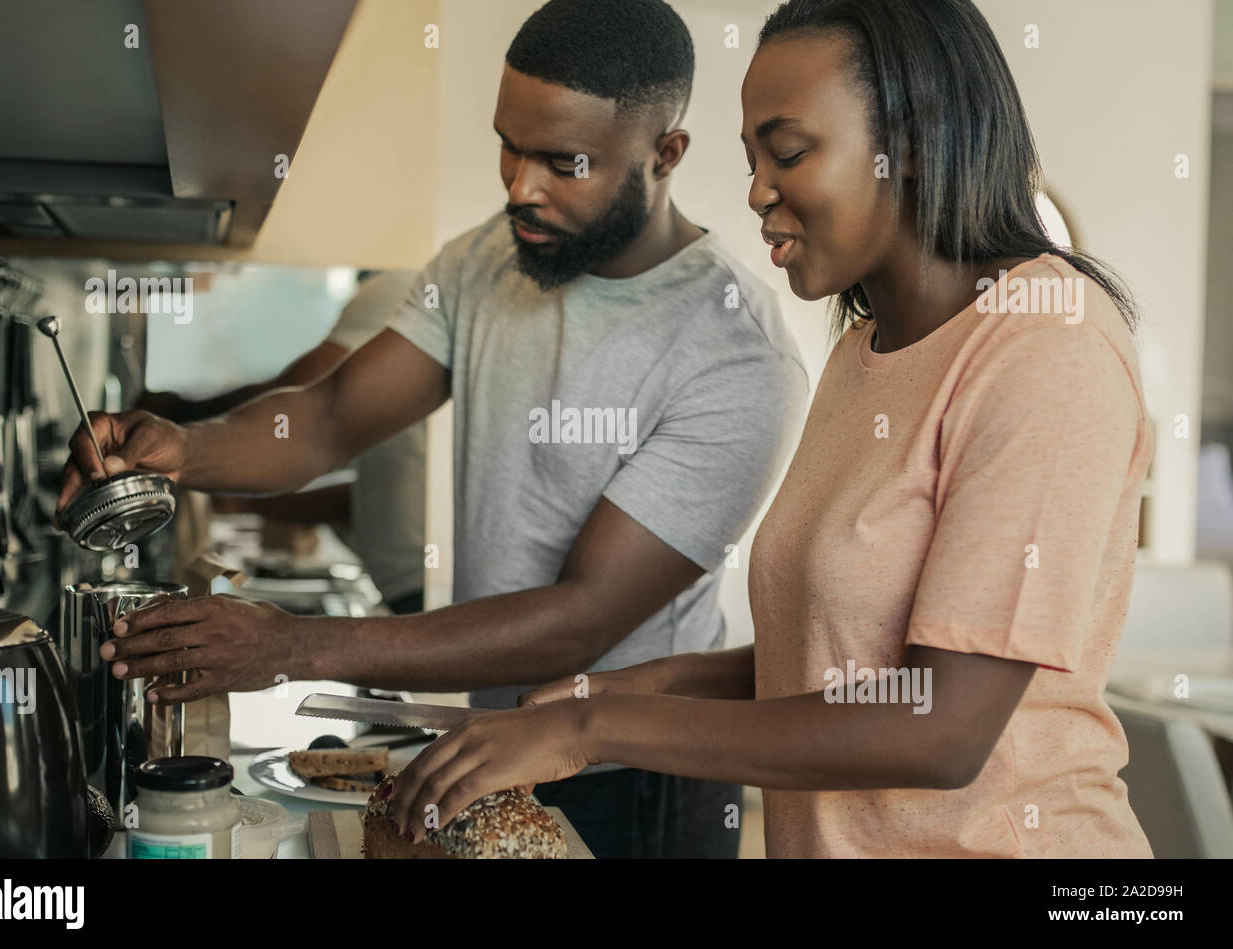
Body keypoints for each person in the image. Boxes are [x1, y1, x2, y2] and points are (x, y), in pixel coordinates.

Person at [382, 0, 1155, 859]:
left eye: (788, 152)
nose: (757, 190)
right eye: (752, 158)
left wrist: (599, 726)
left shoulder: (1048, 343)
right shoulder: (865, 349)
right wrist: (632, 685)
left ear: (916, 139)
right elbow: (833, 663)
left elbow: (942, 724)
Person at [58, 0, 807, 859]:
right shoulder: (489, 256)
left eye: (562, 162)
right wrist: (187, 446)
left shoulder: (732, 351)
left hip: (633, 783)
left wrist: (291, 645)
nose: (519, 186)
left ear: (664, 153)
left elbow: (580, 619)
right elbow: (331, 416)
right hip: (489, 749)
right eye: (508, 144)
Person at [142, 270, 427, 616]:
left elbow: (309, 405)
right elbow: (361, 503)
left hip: (424, 593)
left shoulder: (398, 286)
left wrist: (180, 420)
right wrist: (241, 499)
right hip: (412, 592)